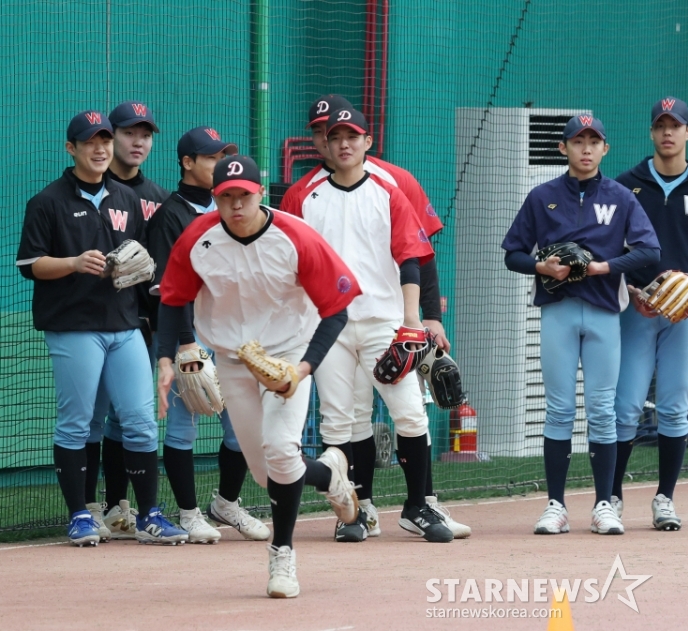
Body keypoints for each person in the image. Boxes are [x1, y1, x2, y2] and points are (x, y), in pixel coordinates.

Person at [156, 154, 362, 597]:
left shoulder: (296, 237)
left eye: (243, 196)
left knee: (282, 451)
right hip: (232, 360)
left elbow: (337, 311)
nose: (234, 205)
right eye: (225, 197)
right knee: (268, 474)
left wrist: (302, 369)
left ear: (259, 194)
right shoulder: (198, 237)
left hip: (289, 354)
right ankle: (329, 476)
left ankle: (281, 555)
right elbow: (173, 298)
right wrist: (170, 357)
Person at [284, 93, 468, 540]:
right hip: (329, 327)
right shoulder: (301, 195)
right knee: (341, 420)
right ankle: (359, 510)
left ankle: (418, 506)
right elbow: (288, 261)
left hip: (384, 323)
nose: (344, 144)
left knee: (409, 414)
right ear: (324, 143)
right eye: (335, 136)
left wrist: (413, 321)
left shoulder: (390, 189)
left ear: (367, 140)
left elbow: (412, 257)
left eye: (353, 136)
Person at [15, 110, 186, 546]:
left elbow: (144, 261)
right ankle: (80, 514)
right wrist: (73, 263)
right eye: (90, 142)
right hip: (75, 327)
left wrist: (147, 271)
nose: (100, 148)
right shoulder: (48, 201)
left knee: (141, 422)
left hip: (125, 324)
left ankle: (149, 513)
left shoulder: (125, 200)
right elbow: (30, 265)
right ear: (71, 148)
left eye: (105, 141)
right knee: (77, 423)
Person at [502, 114, 660, 536]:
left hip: (605, 311)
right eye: (578, 141)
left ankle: (604, 505)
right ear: (563, 148)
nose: (586, 149)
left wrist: (603, 267)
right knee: (559, 409)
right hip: (559, 310)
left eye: (594, 141)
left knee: (603, 410)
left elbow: (649, 250)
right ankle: (555, 506)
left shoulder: (622, 197)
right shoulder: (542, 197)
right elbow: (513, 253)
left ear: (605, 149)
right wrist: (542, 266)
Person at [145, 126, 271, 543]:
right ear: (187, 162)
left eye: (224, 157)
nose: (220, 165)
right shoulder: (171, 216)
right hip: (191, 337)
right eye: (212, 158)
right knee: (183, 428)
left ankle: (226, 504)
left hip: (233, 338)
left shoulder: (229, 216)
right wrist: (184, 343)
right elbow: (168, 289)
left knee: (241, 431)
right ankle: (187, 513)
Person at [612, 97, 688, 530]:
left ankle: (665, 498)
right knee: (624, 407)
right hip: (637, 310)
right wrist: (627, 287)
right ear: (651, 132)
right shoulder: (626, 187)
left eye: (675, 125)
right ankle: (612, 497)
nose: (668, 132)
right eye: (660, 124)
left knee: (674, 407)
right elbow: (610, 248)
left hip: (684, 314)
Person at [86, 100, 170, 540]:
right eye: (128, 133)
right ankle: (95, 502)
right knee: (96, 414)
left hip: (147, 320)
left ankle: (121, 504)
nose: (138, 141)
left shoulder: (157, 197)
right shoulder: (96, 192)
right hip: (100, 319)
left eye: (146, 134)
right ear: (109, 138)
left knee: (131, 417)